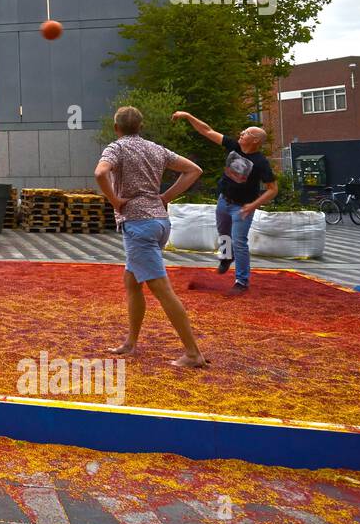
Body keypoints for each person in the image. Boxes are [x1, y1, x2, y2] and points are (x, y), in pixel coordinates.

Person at [95, 106, 207, 368]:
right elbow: (194, 170)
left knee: (163, 290)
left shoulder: (116, 148)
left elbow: (100, 173)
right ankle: (131, 342)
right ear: (140, 126)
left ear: (116, 127)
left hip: (138, 224)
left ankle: (193, 353)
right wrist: (166, 197)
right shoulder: (156, 148)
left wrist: (115, 200)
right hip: (159, 222)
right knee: (132, 281)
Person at [172, 111, 278, 293]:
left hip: (242, 208)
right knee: (223, 234)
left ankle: (242, 282)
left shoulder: (261, 162)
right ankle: (226, 258)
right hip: (224, 201)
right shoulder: (234, 146)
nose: (241, 134)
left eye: (245, 133)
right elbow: (207, 131)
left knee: (239, 242)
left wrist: (253, 206)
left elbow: (273, 189)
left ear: (254, 141)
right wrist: (188, 116)